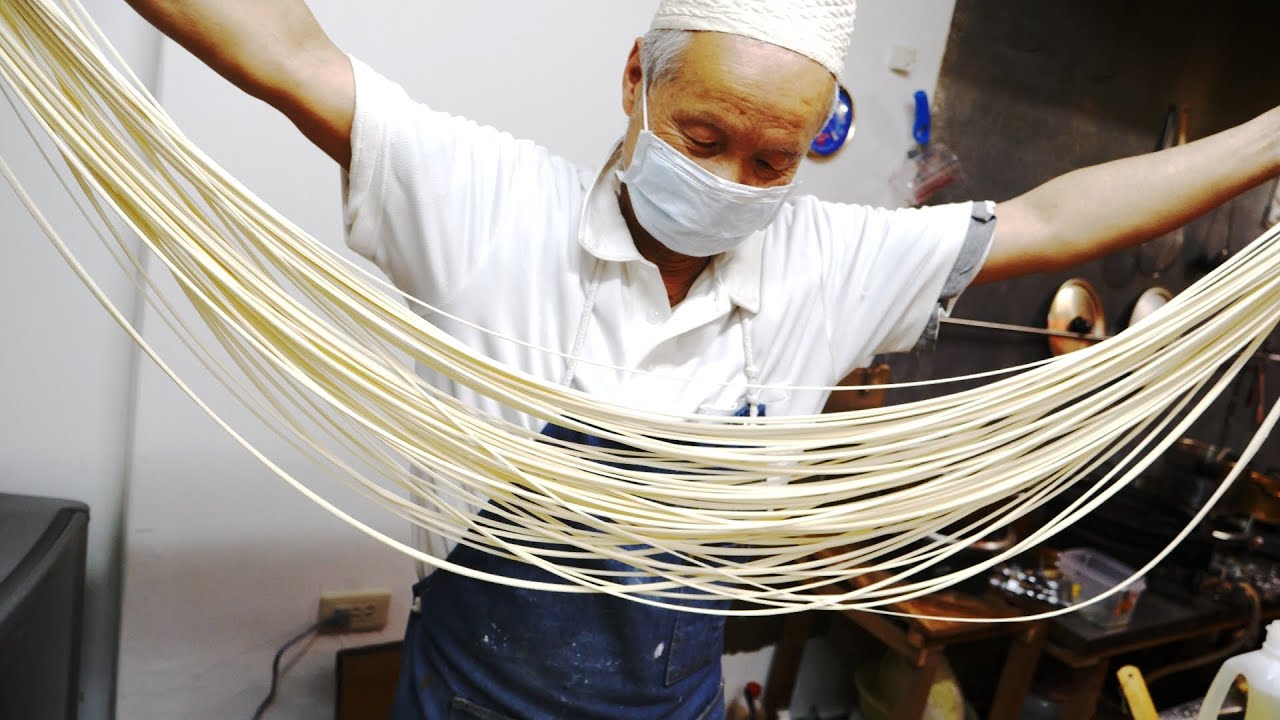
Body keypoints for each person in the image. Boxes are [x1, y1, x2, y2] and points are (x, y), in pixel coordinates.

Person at [123, 0, 1280, 717]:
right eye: (701, 137)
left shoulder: (832, 260)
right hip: (465, 702)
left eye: (770, 162)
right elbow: (284, 51)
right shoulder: (483, 199)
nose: (730, 181)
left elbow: (1049, 221)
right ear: (637, 81)